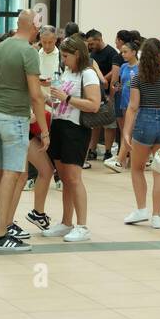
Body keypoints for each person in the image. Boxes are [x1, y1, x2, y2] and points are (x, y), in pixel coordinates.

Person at [0, 9, 46, 252]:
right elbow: (36, 95)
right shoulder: (28, 52)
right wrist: (45, 131)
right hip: (15, 118)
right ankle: (1, 234)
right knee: (12, 174)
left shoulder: (2, 46)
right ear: (35, 26)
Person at [38, 36, 101, 242]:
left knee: (74, 178)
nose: (63, 60)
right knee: (64, 178)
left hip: (76, 130)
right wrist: (46, 97)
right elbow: (60, 103)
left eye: (65, 56)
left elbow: (94, 105)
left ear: (77, 54)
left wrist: (66, 98)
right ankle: (67, 222)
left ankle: (82, 225)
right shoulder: (67, 72)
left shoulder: (88, 73)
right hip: (59, 125)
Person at [123, 37, 160, 229]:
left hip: (144, 122)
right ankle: (157, 216)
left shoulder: (137, 78)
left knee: (137, 168)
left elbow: (133, 107)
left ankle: (141, 209)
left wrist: (126, 132)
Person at [85, 29, 122, 162]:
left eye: (92, 43)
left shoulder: (112, 53)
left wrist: (103, 80)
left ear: (99, 39)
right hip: (95, 93)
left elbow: (115, 70)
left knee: (109, 123)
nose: (90, 46)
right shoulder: (92, 53)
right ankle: (92, 149)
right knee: (95, 123)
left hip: (107, 92)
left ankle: (107, 151)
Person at [105, 34, 139, 172]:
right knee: (126, 130)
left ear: (134, 52)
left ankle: (123, 159)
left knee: (130, 130)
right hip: (124, 101)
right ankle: (125, 158)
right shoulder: (124, 67)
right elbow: (120, 81)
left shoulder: (140, 67)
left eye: (125, 52)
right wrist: (116, 87)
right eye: (122, 52)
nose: (123, 54)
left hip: (136, 103)